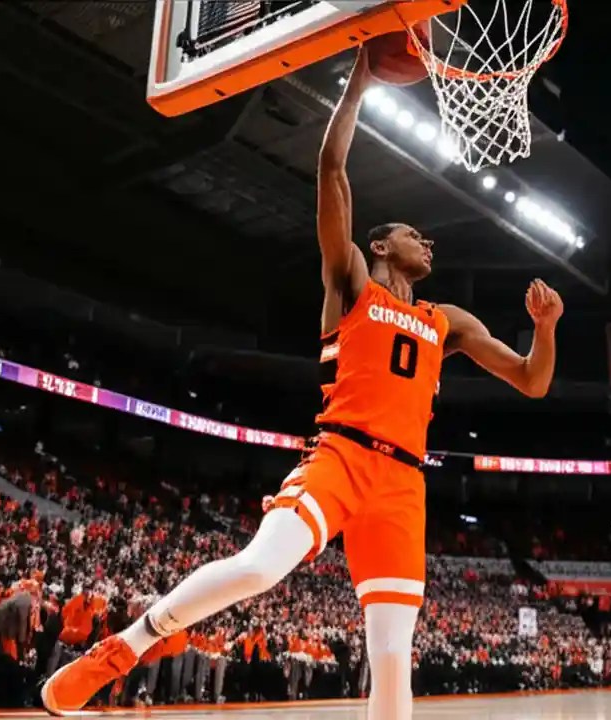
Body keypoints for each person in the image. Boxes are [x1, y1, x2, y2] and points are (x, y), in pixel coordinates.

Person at [41, 42, 562, 720]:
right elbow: (332, 169)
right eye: (414, 233)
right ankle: (130, 643)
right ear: (380, 246)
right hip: (341, 453)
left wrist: (546, 328)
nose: (427, 241)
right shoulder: (349, 280)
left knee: (393, 663)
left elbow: (531, 382)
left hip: (404, 482)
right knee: (261, 567)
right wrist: (361, 81)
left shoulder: (448, 320)